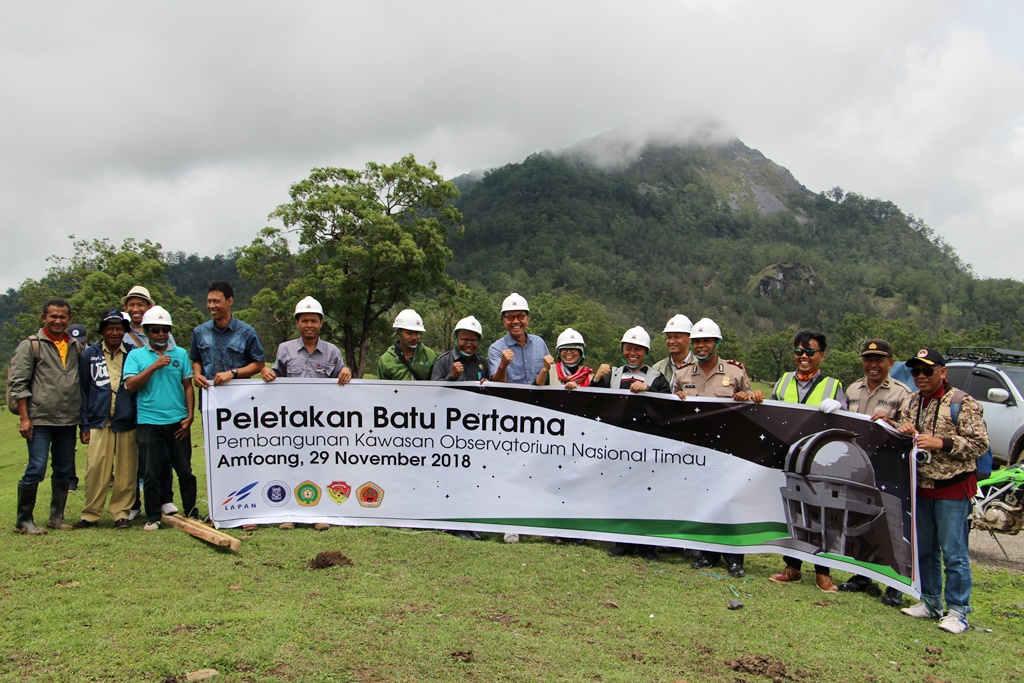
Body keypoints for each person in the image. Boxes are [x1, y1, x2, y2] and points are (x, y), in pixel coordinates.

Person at [897, 348, 988, 634]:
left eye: (928, 371)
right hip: (921, 486)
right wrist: (901, 428)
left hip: (953, 487)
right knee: (924, 549)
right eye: (916, 371)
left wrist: (943, 443)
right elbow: (903, 434)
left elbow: (980, 444)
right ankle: (931, 601)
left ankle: (959, 610)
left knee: (954, 552)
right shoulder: (911, 401)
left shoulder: (963, 402)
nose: (921, 376)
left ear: (943, 372)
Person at [673, 317, 763, 578]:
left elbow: (752, 404)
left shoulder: (734, 372)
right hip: (695, 450)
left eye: (707, 341)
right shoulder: (682, 374)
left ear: (717, 343)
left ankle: (734, 557)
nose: (701, 345)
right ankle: (708, 554)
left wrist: (749, 397)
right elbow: (671, 409)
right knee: (703, 501)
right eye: (697, 341)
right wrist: (675, 399)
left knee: (729, 502)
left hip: (728, 450)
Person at [768, 330, 847, 592]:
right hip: (791, 459)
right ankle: (792, 567)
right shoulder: (782, 381)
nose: (804, 356)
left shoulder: (833, 386)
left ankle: (823, 572)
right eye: (799, 351)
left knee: (821, 515)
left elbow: (847, 421)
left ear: (821, 356)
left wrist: (839, 408)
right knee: (795, 512)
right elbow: (772, 414)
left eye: (810, 352)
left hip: (820, 461)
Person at [262, 296, 351, 530]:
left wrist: (346, 370)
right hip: (291, 421)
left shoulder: (332, 352)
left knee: (320, 466)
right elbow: (276, 375)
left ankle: (318, 514)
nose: (309, 325)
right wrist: (267, 373)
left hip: (321, 423)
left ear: (321, 323)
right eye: (304, 320)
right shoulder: (285, 349)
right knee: (290, 465)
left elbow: (341, 377)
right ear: (297, 323)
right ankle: (289, 514)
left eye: (313, 320)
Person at [837, 339, 913, 605]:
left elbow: (910, 429)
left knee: (892, 524)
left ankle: (895, 583)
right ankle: (862, 576)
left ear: (890, 363)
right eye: (868, 359)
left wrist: (892, 423)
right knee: (861, 519)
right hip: (858, 465)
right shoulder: (852, 389)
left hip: (888, 469)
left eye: (879, 359)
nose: (872, 364)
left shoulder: (902, 393)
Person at [593, 326, 670, 561]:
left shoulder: (657, 378)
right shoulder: (612, 375)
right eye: (628, 348)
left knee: (647, 495)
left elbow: (668, 409)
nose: (632, 353)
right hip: (618, 446)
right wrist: (597, 378)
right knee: (620, 492)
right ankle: (623, 542)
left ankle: (647, 546)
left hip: (646, 447)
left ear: (646, 352)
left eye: (638, 349)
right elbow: (592, 402)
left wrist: (649, 391)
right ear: (622, 350)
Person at [10, 299, 83, 534]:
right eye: (53, 316)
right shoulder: (31, 345)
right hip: (40, 418)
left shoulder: (76, 346)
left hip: (68, 418)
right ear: (44, 317)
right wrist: (24, 418)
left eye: (62, 317)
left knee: (64, 468)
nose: (58, 321)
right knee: (36, 467)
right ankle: (23, 521)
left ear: (69, 319)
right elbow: (18, 384)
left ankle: (56, 518)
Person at [123, 306, 197, 530]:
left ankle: (191, 512)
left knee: (184, 471)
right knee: (151, 473)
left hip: (178, 422)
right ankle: (153, 516)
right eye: (155, 330)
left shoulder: (180, 354)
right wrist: (154, 366)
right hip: (149, 422)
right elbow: (130, 385)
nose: (161, 334)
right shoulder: (136, 356)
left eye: (165, 330)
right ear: (147, 331)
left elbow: (188, 386)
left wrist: (190, 416)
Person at [75, 310, 138, 529]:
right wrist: (84, 424)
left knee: (126, 470)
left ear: (124, 331)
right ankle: (90, 514)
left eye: (119, 328)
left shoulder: (132, 353)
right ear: (102, 331)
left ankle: (121, 513)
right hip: (98, 420)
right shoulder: (89, 354)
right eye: (110, 328)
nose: (114, 332)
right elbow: (83, 390)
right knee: (95, 468)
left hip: (126, 420)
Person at [120, 285, 176, 521]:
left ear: (149, 307)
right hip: (128, 399)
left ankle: (165, 499)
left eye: (140, 304)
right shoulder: (121, 332)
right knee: (133, 455)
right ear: (126, 307)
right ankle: (133, 502)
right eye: (131, 304)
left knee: (161, 454)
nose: (135, 309)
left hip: (156, 401)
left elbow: (172, 359)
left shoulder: (162, 330)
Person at [190, 281, 265, 390]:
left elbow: (259, 364)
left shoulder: (247, 332)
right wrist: (197, 374)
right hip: (209, 394)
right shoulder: (200, 332)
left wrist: (233, 373)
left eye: (216, 301)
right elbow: (197, 360)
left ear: (230, 301)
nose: (211, 306)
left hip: (238, 395)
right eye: (209, 301)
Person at [488, 293, 551, 386]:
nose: (516, 321)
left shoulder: (539, 343)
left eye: (520, 316)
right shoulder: (496, 349)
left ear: (527, 319)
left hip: (538, 395)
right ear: (504, 321)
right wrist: (502, 365)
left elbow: (547, 376)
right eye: (510, 317)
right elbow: (497, 386)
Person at [376, 309, 437, 381]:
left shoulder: (429, 355)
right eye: (409, 333)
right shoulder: (386, 360)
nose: (414, 337)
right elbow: (382, 386)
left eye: (417, 333)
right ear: (398, 334)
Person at [431, 316, 489, 383]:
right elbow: (434, 387)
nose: (469, 344)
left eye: (473, 340)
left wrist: (487, 384)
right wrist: (451, 376)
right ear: (455, 339)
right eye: (464, 340)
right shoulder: (443, 361)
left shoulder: (482, 362)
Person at [651, 314, 694, 380]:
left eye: (677, 337)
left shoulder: (700, 366)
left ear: (689, 339)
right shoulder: (657, 368)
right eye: (669, 337)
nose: (671, 341)